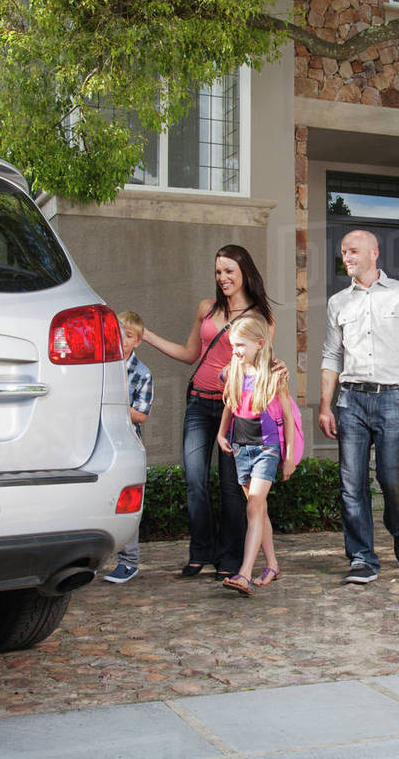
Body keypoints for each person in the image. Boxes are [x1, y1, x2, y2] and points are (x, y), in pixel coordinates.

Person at [142, 245, 276, 581]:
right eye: (218, 272)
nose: (223, 278)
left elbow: (261, 362)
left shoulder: (260, 316)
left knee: (232, 487)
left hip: (236, 411)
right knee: (193, 480)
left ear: (244, 271)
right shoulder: (207, 308)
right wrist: (146, 336)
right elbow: (190, 354)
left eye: (229, 270)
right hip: (199, 404)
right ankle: (200, 551)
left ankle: (228, 559)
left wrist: (279, 369)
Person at [319, 229, 399, 585]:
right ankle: (362, 558)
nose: (347, 257)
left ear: (374, 253)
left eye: (353, 250)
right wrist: (325, 405)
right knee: (351, 483)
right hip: (350, 399)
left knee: (391, 478)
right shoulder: (338, 302)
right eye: (343, 252)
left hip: (393, 398)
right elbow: (331, 354)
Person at [215, 316, 298, 595]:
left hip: (266, 449)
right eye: (233, 346)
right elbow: (230, 402)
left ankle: (244, 574)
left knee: (253, 506)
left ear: (259, 344)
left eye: (240, 345)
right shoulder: (233, 372)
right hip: (241, 448)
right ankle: (272, 564)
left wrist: (288, 457)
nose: (236, 350)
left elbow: (287, 417)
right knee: (259, 510)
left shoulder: (274, 375)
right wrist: (221, 433)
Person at [104, 310, 153, 583]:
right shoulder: (101, 366)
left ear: (138, 342)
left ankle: (129, 561)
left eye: (129, 336)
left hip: (126, 439)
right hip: (100, 438)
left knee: (126, 499)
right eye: (118, 333)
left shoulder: (142, 373)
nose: (122, 339)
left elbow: (141, 413)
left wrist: (112, 404)